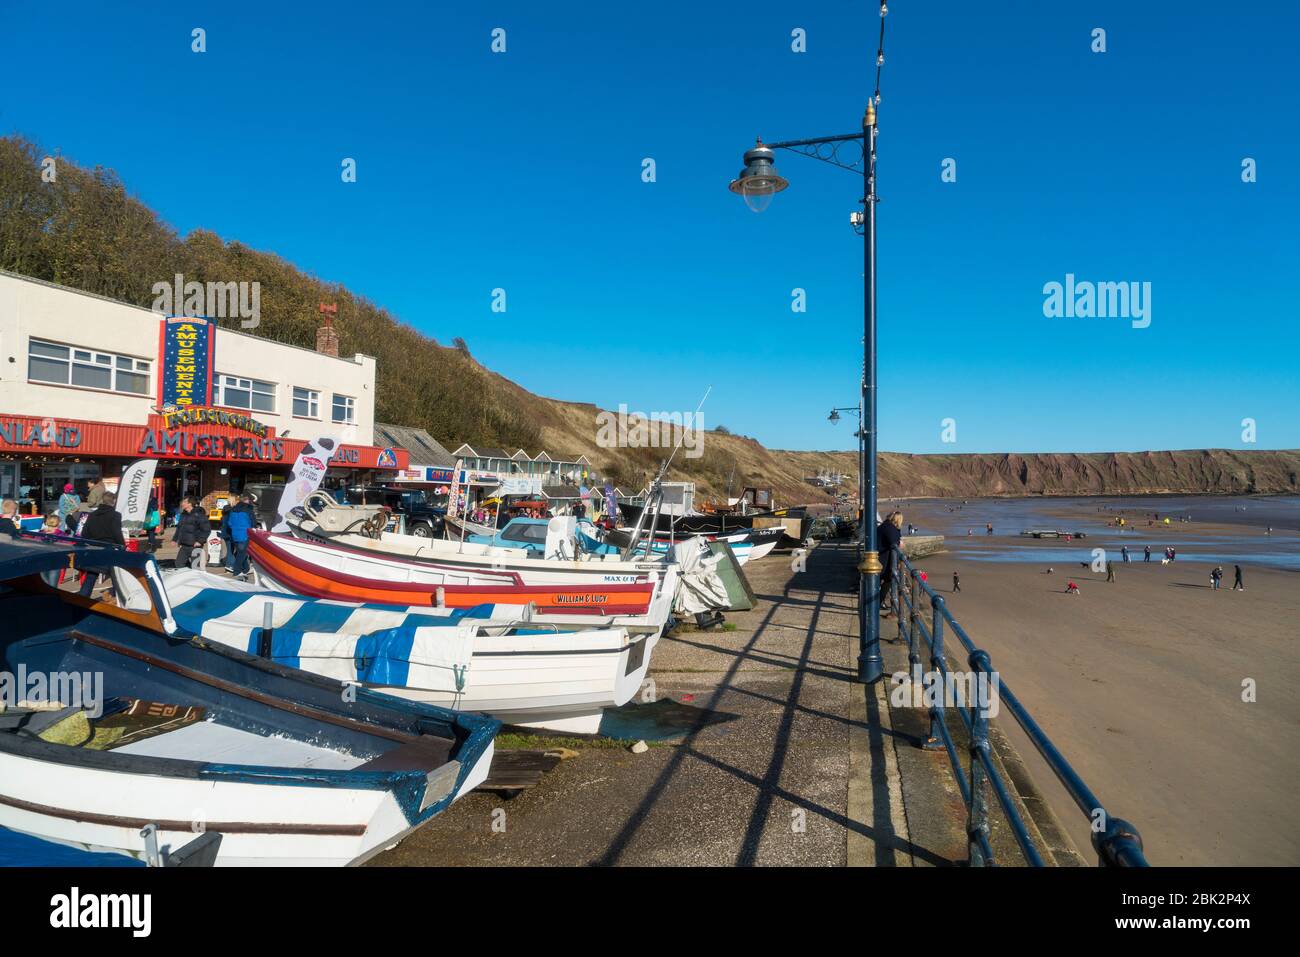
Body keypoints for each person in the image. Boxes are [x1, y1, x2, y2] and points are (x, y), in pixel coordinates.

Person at [78, 492, 125, 598]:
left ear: (102, 501)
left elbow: (84, 534)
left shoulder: (92, 515)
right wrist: (122, 546)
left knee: (91, 576)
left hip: (94, 549)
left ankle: (82, 601)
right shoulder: (115, 515)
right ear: (113, 501)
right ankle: (120, 600)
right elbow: (117, 533)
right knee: (116, 577)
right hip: (109, 550)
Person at [173, 496, 211, 570]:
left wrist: (200, 541)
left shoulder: (199, 514)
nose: (182, 504)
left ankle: (197, 581)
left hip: (195, 546)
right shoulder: (183, 515)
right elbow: (179, 528)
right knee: (178, 564)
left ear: (189, 504)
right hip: (184, 545)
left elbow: (206, 529)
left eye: (184, 502)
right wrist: (175, 539)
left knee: (195, 567)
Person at [225, 493, 257, 578]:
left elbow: (230, 523)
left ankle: (245, 569)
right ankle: (237, 571)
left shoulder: (232, 510)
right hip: (245, 533)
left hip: (235, 534)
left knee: (240, 552)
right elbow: (253, 522)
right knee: (241, 554)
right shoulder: (248, 510)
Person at [877, 511, 903, 617]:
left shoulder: (885, 526)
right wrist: (899, 543)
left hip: (880, 557)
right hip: (882, 559)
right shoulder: (890, 528)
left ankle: (878, 601)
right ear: (898, 520)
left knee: (880, 581)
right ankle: (878, 602)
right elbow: (894, 542)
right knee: (888, 580)